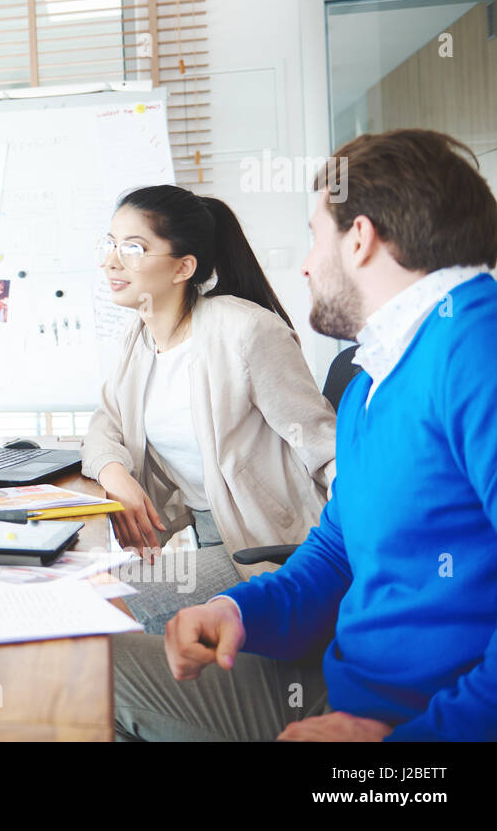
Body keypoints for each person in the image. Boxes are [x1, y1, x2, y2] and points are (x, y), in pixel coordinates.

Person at [112, 129, 497, 741]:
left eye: (316, 235)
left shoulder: (477, 351)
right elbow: (336, 554)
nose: (306, 263)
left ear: (362, 238)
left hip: (422, 723)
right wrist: (237, 610)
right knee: (88, 669)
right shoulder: (374, 379)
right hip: (342, 685)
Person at [82, 186, 336, 632]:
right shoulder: (139, 338)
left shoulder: (244, 331)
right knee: (90, 592)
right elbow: (106, 422)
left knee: (102, 604)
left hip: (270, 546)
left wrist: (360, 553)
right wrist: (114, 475)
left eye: (134, 248)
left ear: (184, 267)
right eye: (110, 244)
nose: (111, 261)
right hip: (207, 536)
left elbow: (324, 447)